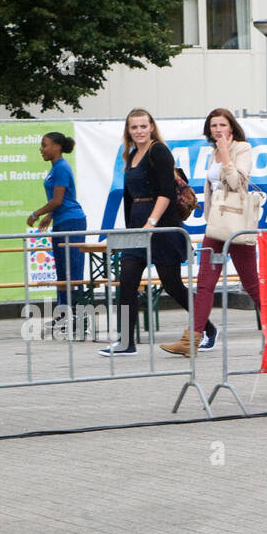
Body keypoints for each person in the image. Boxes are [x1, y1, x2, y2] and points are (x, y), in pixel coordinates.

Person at [162, 107, 260, 357]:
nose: (217, 130)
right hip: (216, 224)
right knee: (205, 284)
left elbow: (237, 183)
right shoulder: (212, 152)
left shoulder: (242, 149)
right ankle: (191, 339)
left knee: (251, 284)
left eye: (222, 125)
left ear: (231, 127)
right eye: (213, 125)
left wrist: (226, 154)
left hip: (237, 226)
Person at [101, 108, 193, 357]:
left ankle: (207, 327)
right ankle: (125, 342)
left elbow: (166, 192)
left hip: (161, 226)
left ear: (151, 127)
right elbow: (130, 197)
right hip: (137, 226)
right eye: (134, 127)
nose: (139, 131)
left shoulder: (159, 151)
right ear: (128, 131)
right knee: (127, 281)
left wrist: (151, 223)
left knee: (172, 284)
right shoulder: (131, 155)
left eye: (143, 126)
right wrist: (133, 228)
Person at [27, 132, 89, 324]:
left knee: (72, 270)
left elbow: (58, 200)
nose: (41, 149)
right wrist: (50, 216)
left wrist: (36, 214)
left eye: (44, 145)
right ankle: (64, 314)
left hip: (72, 222)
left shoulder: (61, 167)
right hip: (61, 221)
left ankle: (78, 315)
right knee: (62, 271)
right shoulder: (56, 168)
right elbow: (61, 200)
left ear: (57, 147)